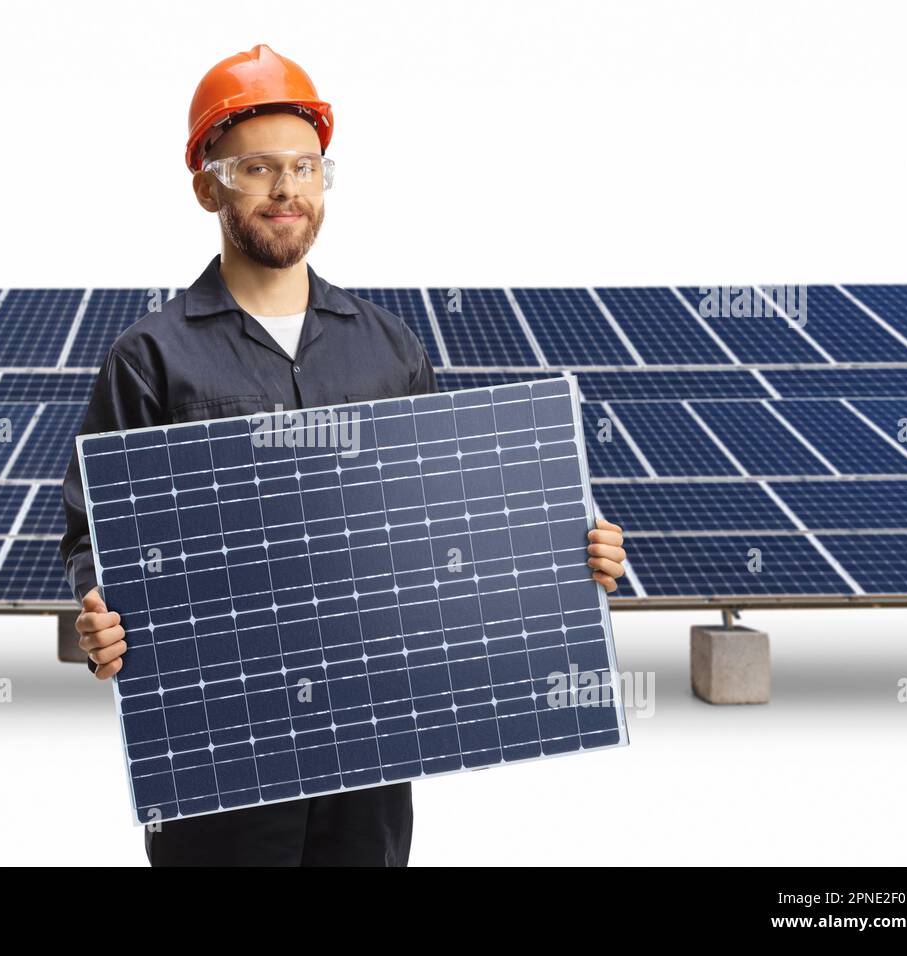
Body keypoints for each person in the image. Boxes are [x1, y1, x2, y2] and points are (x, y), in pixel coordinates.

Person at [59, 43, 627, 866]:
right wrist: (98, 614)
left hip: (374, 741)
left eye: (307, 166)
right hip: (222, 750)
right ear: (206, 184)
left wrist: (564, 554)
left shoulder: (389, 348)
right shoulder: (150, 358)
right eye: (256, 168)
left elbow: (451, 521)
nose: (287, 189)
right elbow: (91, 536)